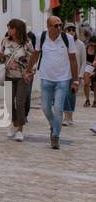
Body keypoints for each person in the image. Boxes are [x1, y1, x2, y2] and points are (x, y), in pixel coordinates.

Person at [26, 16, 79, 150]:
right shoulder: (41, 37)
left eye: (60, 25)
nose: (59, 28)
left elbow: (73, 60)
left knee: (58, 109)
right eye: (56, 25)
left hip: (63, 79)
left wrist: (76, 80)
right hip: (46, 77)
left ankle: (55, 136)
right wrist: (28, 70)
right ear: (49, 27)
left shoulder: (68, 39)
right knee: (45, 107)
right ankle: (53, 124)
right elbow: (35, 54)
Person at [0, 19, 34, 140]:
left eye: (10, 28)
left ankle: (20, 130)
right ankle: (14, 124)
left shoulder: (27, 42)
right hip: (9, 75)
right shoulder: (5, 41)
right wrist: (0, 56)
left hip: (22, 77)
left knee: (20, 102)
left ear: (16, 29)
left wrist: (30, 72)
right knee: (8, 102)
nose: (8, 30)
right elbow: (2, 60)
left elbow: (33, 59)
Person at [62, 24, 87, 125]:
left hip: (75, 74)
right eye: (69, 30)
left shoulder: (80, 44)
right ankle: (66, 117)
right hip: (63, 73)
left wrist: (80, 75)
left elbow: (83, 61)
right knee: (64, 94)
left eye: (73, 30)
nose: (71, 31)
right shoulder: (62, 43)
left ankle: (70, 116)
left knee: (71, 95)